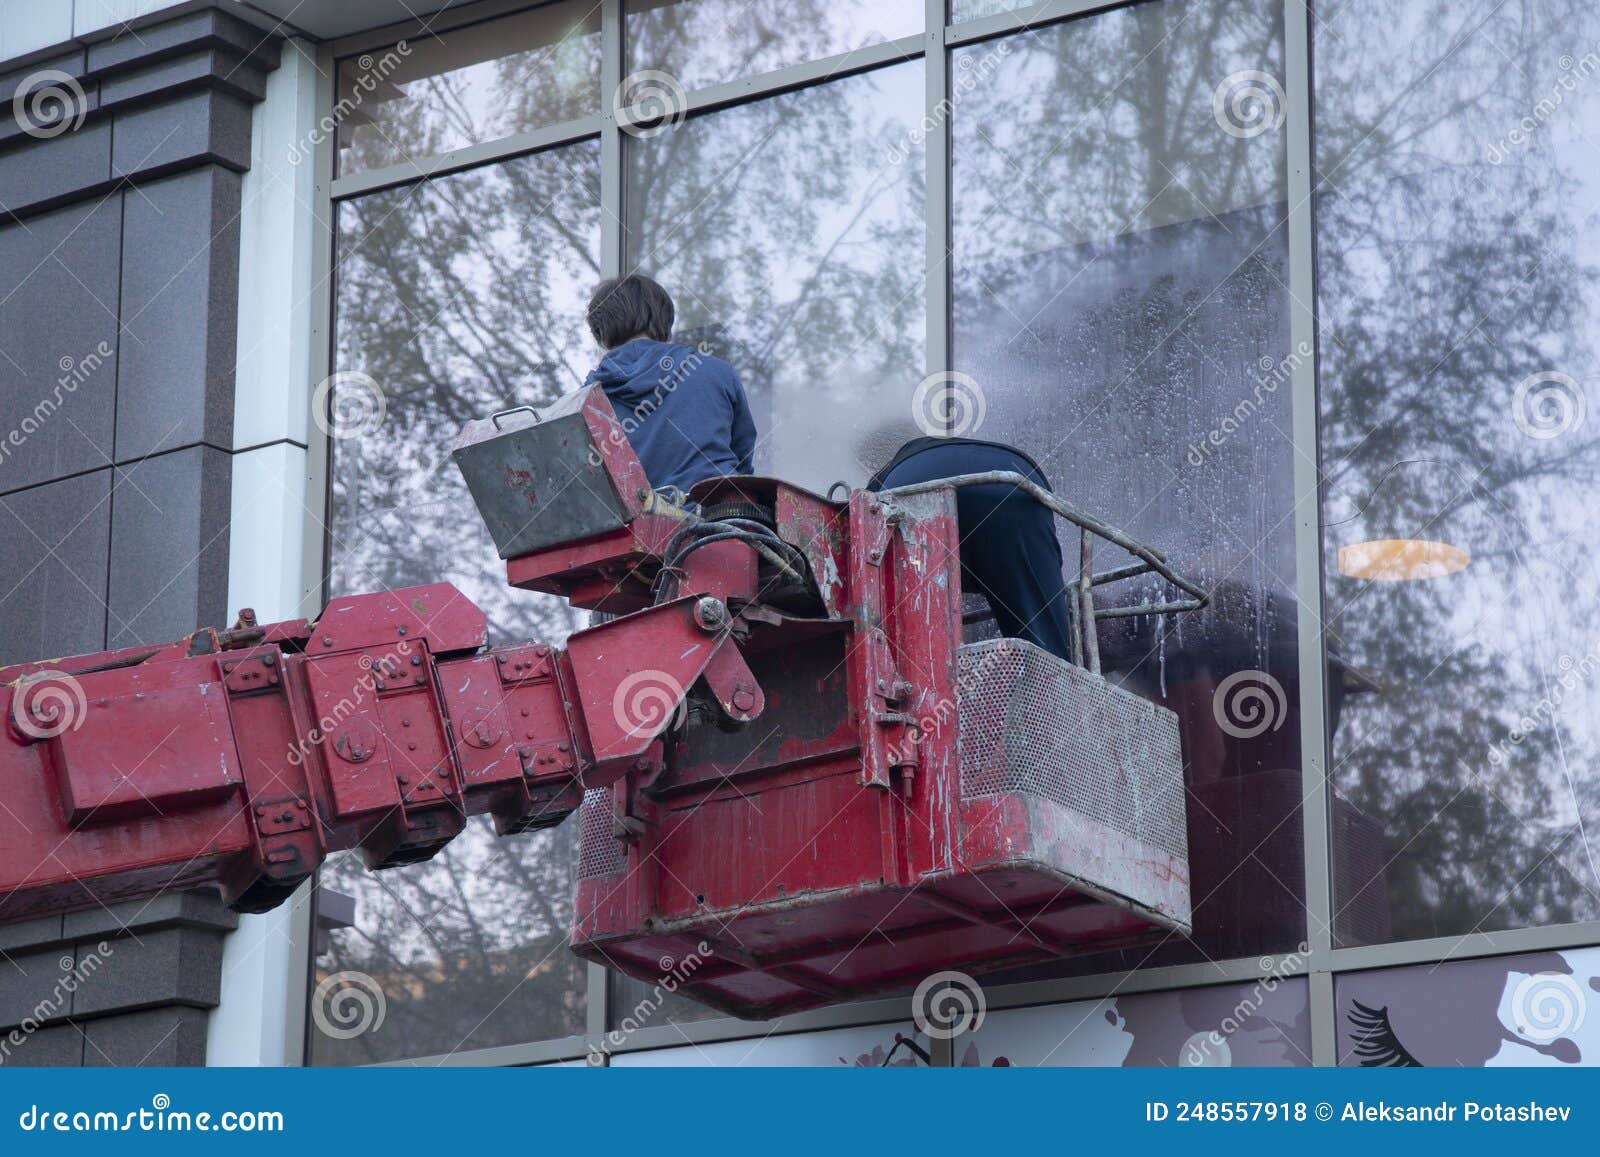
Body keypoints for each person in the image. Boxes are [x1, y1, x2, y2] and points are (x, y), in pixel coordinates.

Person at [866, 433, 1074, 663]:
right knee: (1044, 640)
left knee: (904, 624)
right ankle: (1053, 684)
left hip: (907, 484)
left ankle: (911, 676)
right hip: (1016, 484)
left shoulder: (885, 476)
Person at [583, 274, 757, 494]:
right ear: (664, 320)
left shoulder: (584, 403)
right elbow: (743, 461)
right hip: (717, 518)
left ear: (600, 333)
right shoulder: (714, 371)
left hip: (640, 526)